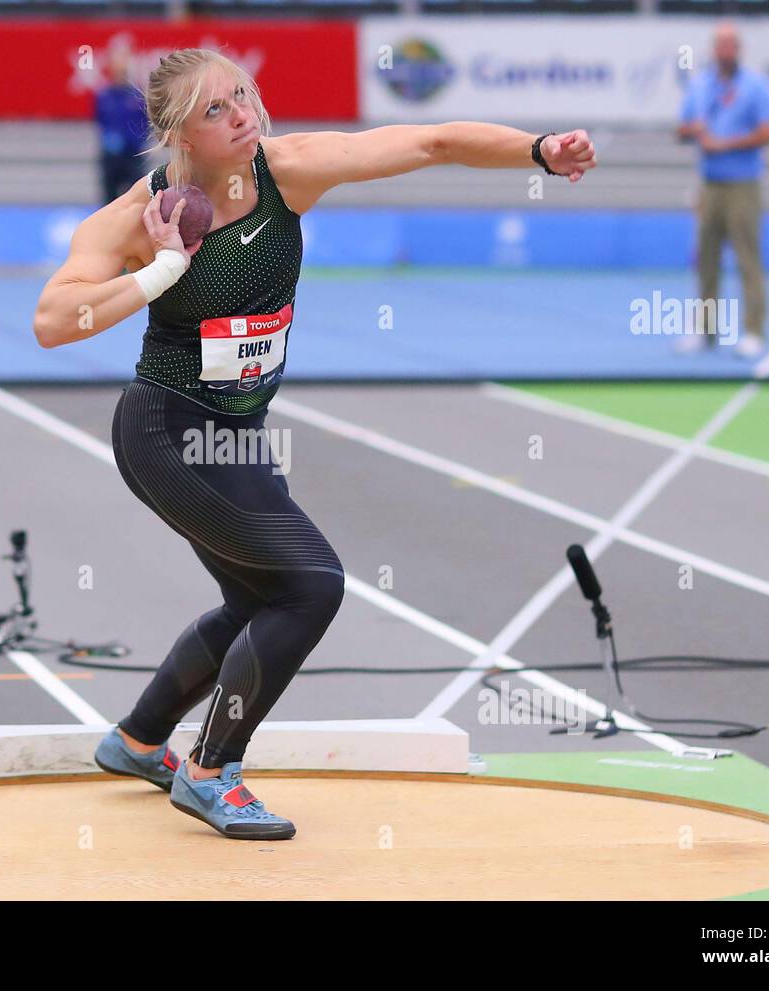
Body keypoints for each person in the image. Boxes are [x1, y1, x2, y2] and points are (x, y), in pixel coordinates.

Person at [34, 48, 596, 840]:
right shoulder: (139, 216)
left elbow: (430, 142)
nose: (243, 117)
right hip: (165, 429)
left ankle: (136, 740)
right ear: (178, 134)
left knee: (256, 597)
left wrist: (537, 151)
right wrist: (161, 271)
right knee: (311, 585)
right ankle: (209, 770)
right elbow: (54, 323)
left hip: (235, 435)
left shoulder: (286, 172)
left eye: (243, 97)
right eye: (217, 111)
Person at [676, 21, 769, 358]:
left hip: (742, 183)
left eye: (731, 44)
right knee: (706, 260)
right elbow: (681, 129)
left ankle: (754, 330)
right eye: (720, 44)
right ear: (713, 49)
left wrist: (727, 144)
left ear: (739, 49)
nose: (725, 50)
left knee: (747, 258)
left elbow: (768, 132)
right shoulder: (701, 85)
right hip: (709, 184)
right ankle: (705, 331)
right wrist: (696, 130)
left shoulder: (755, 86)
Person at [94, 47, 151, 205]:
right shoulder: (104, 96)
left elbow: (146, 124)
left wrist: (135, 143)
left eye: (123, 71)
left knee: (138, 201)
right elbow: (101, 121)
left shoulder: (138, 96)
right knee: (108, 201)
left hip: (133, 156)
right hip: (111, 157)